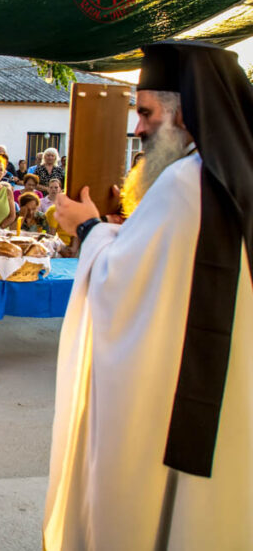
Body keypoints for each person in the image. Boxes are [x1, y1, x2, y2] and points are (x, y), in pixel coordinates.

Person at [43, 42, 253, 550]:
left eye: (145, 113)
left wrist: (86, 226)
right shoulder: (234, 173)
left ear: (186, 114)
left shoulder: (187, 182)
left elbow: (121, 282)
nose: (136, 129)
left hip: (181, 400)